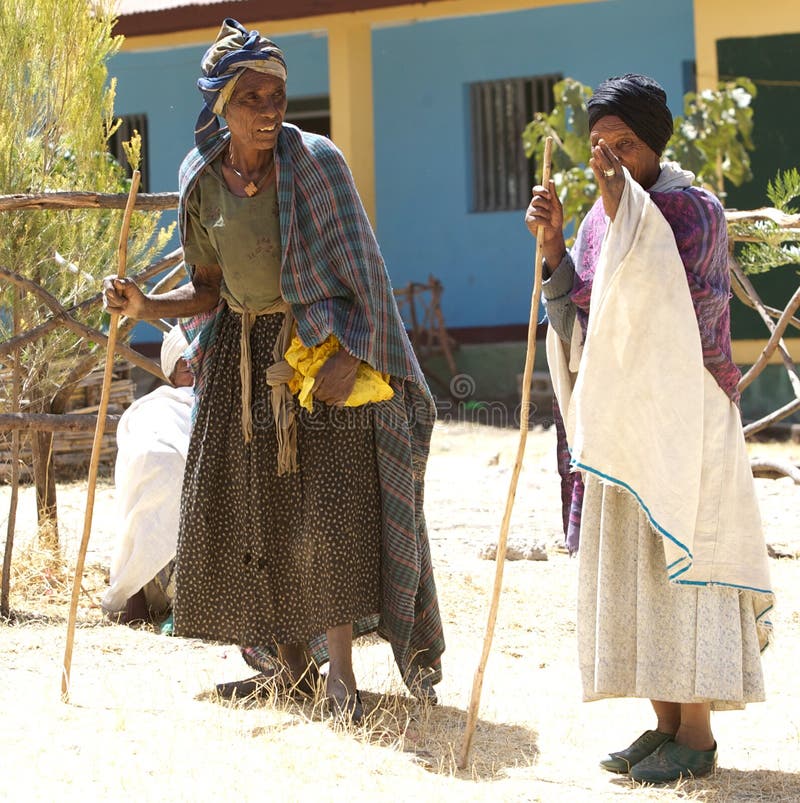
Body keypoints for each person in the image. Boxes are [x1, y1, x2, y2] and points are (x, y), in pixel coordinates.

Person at [103, 18, 444, 722]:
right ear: (221, 105)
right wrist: (143, 303)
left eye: (277, 95)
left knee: (333, 511)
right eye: (252, 97)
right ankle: (291, 669)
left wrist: (352, 355)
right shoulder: (199, 179)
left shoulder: (317, 164)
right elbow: (206, 287)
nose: (269, 110)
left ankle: (343, 675)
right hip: (242, 354)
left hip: (321, 351)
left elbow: (368, 278)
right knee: (260, 509)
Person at [526, 74, 774, 783]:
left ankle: (695, 734)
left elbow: (666, 314)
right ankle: (663, 720)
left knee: (684, 568)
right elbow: (583, 313)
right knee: (641, 571)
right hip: (621, 417)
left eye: (624, 145)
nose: (608, 159)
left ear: (653, 143)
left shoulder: (694, 210)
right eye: (599, 145)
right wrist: (553, 247)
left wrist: (615, 207)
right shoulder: (603, 219)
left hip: (684, 415)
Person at [102, 326, 194, 627]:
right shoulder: (154, 411)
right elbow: (136, 488)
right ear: (172, 374)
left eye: (199, 364)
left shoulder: (226, 407)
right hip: (167, 574)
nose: (193, 374)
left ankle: (149, 599)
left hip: (195, 572)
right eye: (186, 366)